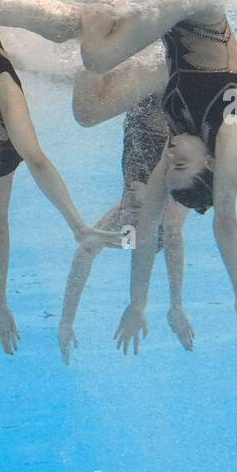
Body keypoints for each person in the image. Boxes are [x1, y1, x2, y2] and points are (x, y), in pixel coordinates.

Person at [76, 0, 237, 351]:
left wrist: (138, 302)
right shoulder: (229, 131)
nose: (169, 154)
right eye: (180, 163)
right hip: (199, 6)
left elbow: (147, 227)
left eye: (170, 165)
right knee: (97, 58)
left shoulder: (180, 144)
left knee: (98, 57)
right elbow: (225, 218)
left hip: (173, 20)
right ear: (210, 163)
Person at [60, 78, 192, 364]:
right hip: (170, 95)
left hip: (137, 98)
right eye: (137, 213)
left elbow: (85, 253)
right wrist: (175, 305)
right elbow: (172, 235)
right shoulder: (173, 201)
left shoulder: (124, 216)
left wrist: (66, 321)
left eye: (128, 215)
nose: (128, 211)